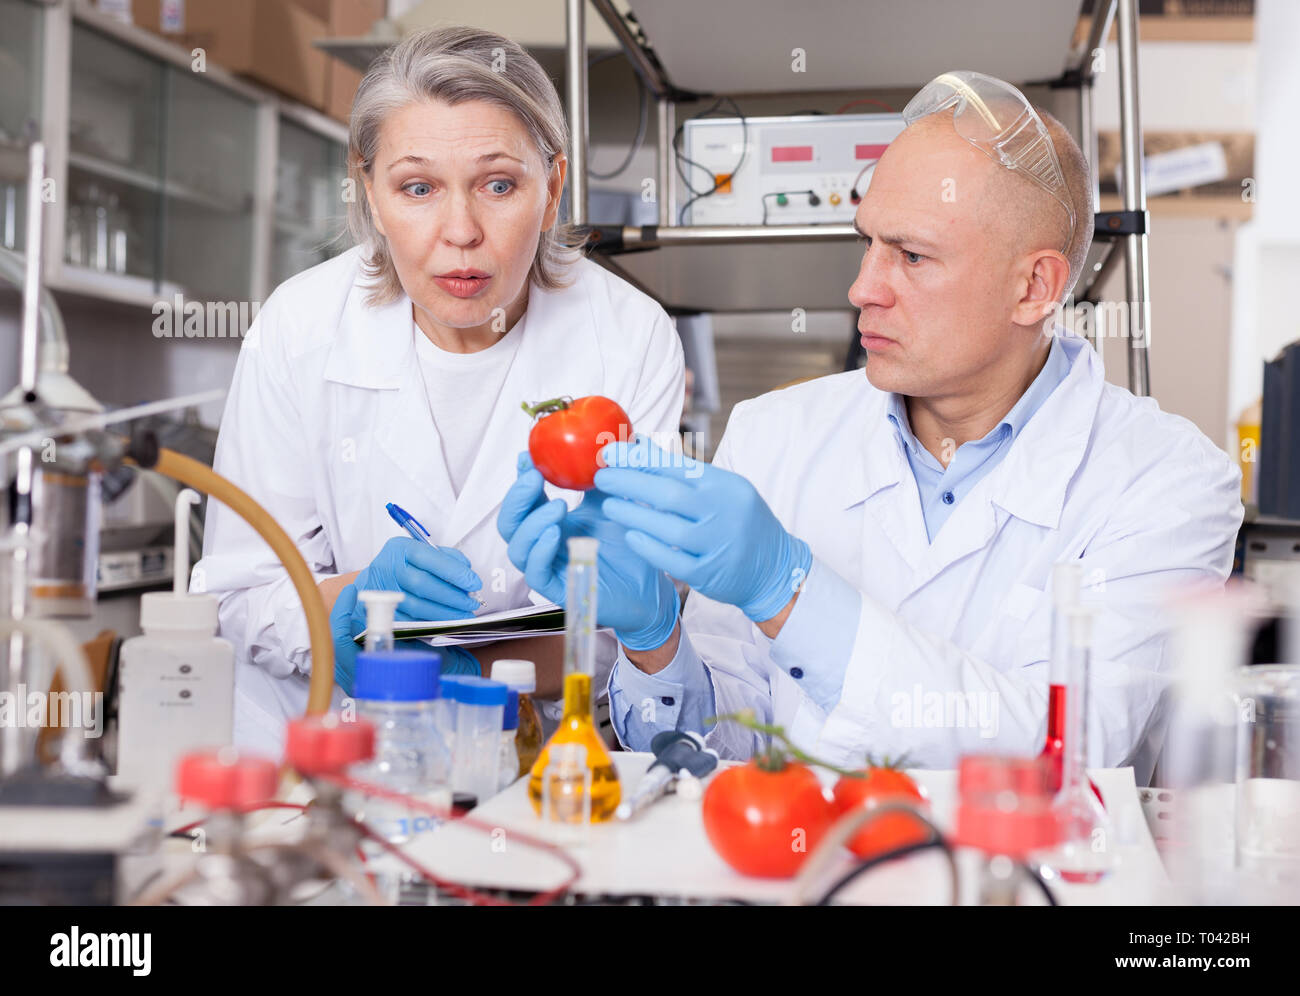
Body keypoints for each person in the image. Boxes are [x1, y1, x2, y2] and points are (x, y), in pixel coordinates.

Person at [498, 71, 1243, 784]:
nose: (862, 288)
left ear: (1034, 286)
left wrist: (786, 589)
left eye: (912, 255)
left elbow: (1064, 751)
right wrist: (655, 642)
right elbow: (728, 745)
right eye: (868, 242)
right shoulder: (775, 431)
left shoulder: (1169, 482)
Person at [194, 26, 684, 757]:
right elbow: (237, 596)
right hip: (322, 751)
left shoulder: (628, 336)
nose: (460, 231)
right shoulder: (299, 327)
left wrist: (468, 668)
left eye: (498, 184)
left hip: (530, 752)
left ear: (551, 189)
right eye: (417, 188)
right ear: (369, 190)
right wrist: (351, 609)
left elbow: (634, 614)